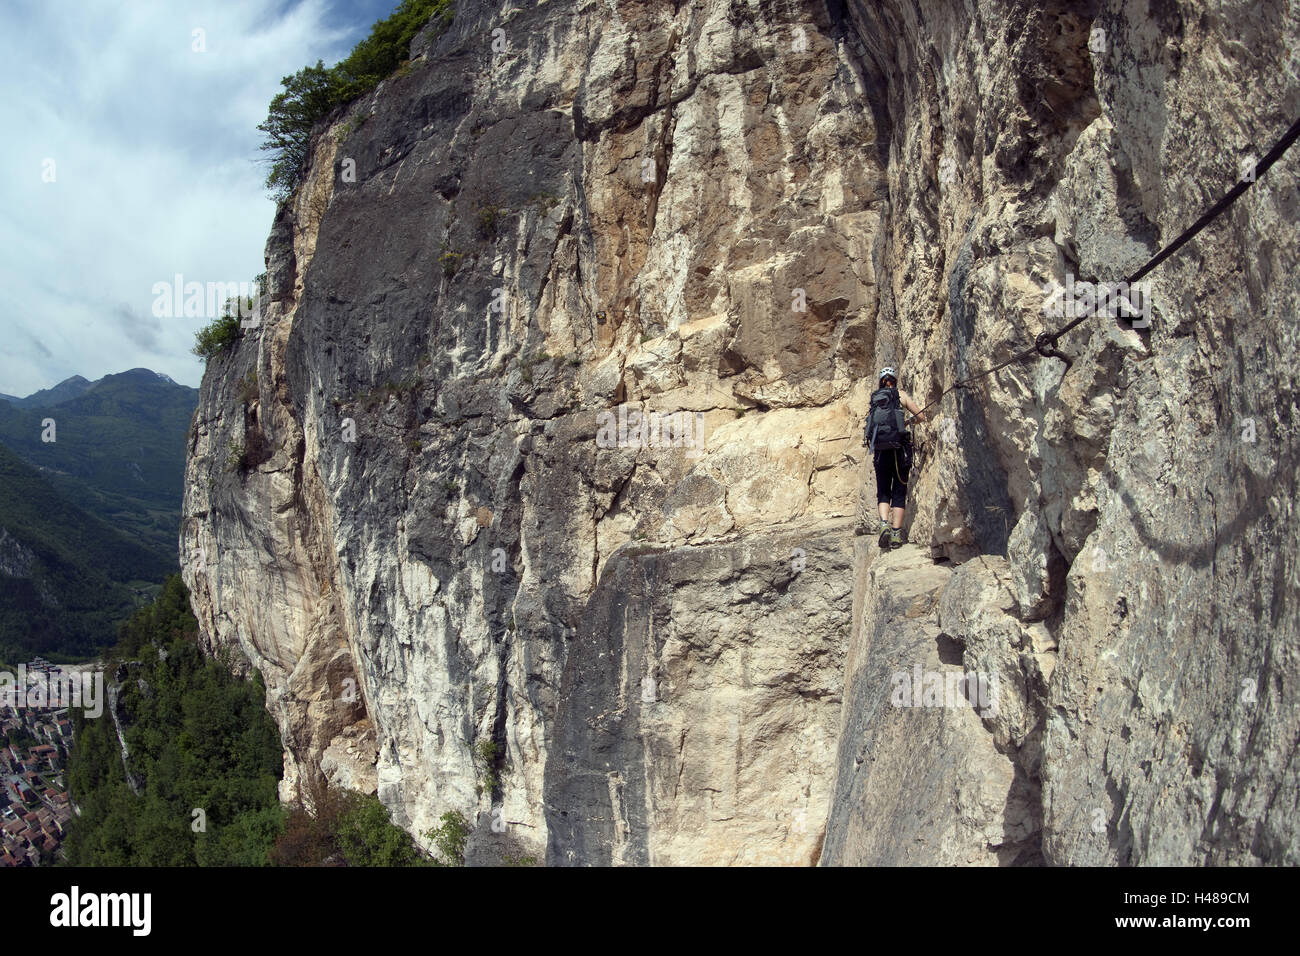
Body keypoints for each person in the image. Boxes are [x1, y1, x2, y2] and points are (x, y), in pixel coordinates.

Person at [864, 367, 925, 549]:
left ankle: (884, 524)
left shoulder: (875, 399)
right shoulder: (901, 395)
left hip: (881, 451)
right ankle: (896, 534)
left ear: (881, 381)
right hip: (899, 451)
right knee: (899, 491)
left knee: (883, 491)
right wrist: (907, 422)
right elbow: (921, 416)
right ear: (895, 380)